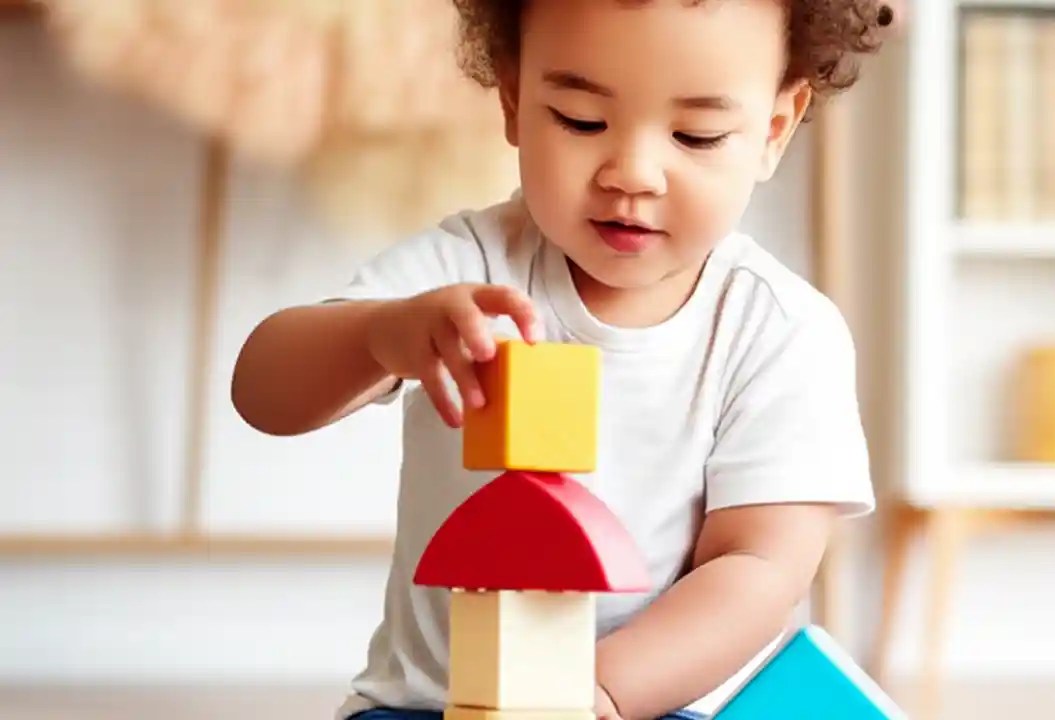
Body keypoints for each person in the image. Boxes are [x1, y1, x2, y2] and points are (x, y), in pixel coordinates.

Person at [231, 0, 892, 718]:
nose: (633, 173)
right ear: (515, 99)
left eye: (696, 135)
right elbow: (262, 391)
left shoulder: (779, 329)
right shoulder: (470, 268)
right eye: (581, 119)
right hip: (434, 706)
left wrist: (601, 693)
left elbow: (760, 565)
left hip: (642, 705)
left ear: (773, 129)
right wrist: (378, 336)